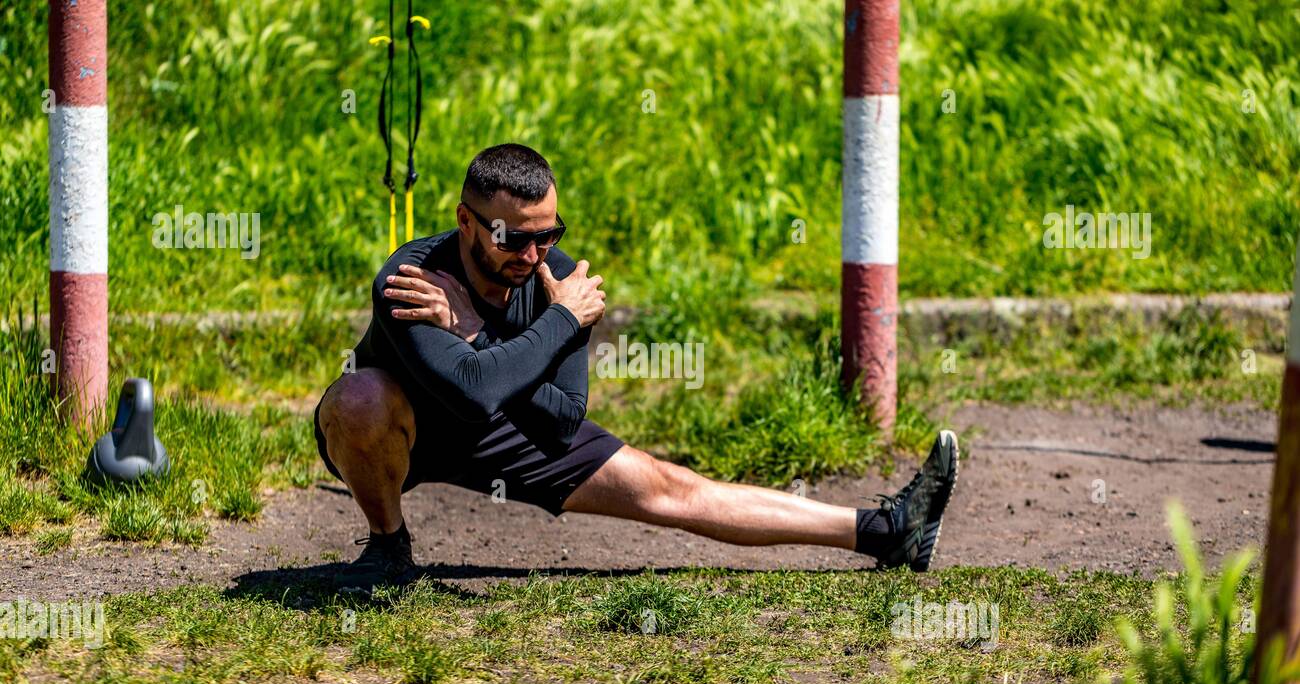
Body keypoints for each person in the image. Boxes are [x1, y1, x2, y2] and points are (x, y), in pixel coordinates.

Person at [314, 143, 958, 593]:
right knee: (358, 397)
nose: (534, 253)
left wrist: (492, 331)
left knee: (671, 487)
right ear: (466, 221)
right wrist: (545, 329)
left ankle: (886, 531)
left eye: (550, 233)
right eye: (514, 237)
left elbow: (563, 421)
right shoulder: (414, 280)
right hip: (405, 430)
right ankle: (389, 543)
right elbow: (474, 393)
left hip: (515, 432)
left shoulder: (559, 283)